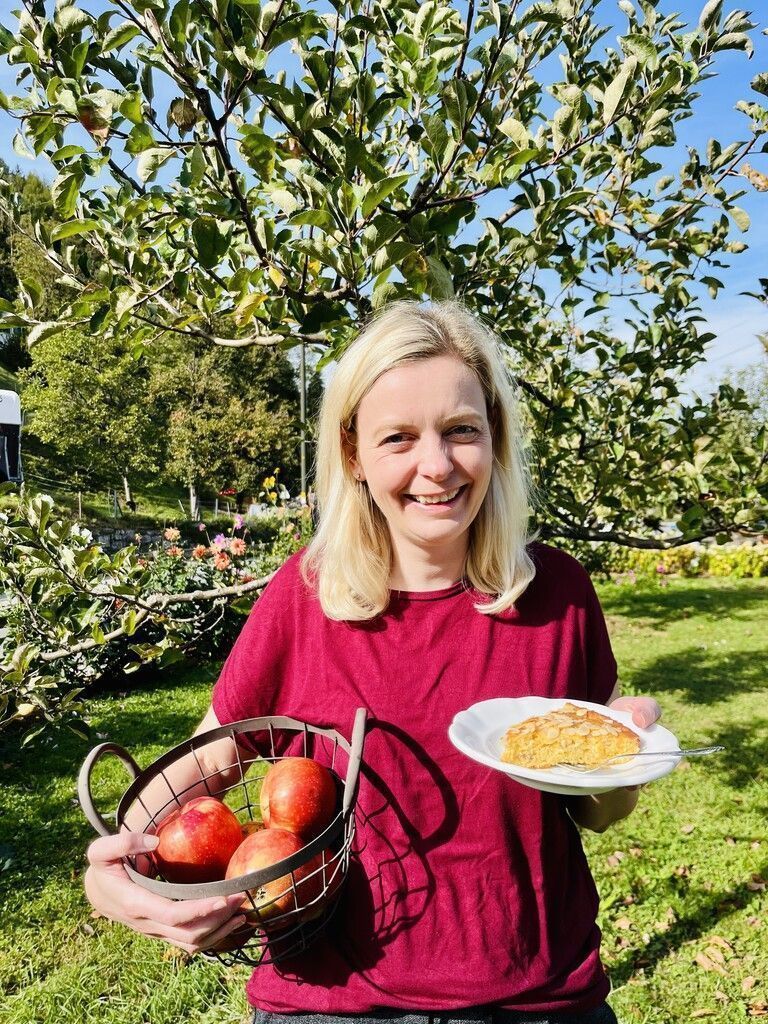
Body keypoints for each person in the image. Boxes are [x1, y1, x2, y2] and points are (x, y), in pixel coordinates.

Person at [85, 300, 661, 1024]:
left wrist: (619, 761)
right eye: (399, 438)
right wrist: (119, 867)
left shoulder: (559, 595)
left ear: (495, 439)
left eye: (462, 431)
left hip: (537, 998)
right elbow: (209, 760)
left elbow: (599, 814)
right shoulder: (304, 597)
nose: (437, 466)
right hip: (330, 1002)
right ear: (354, 453)